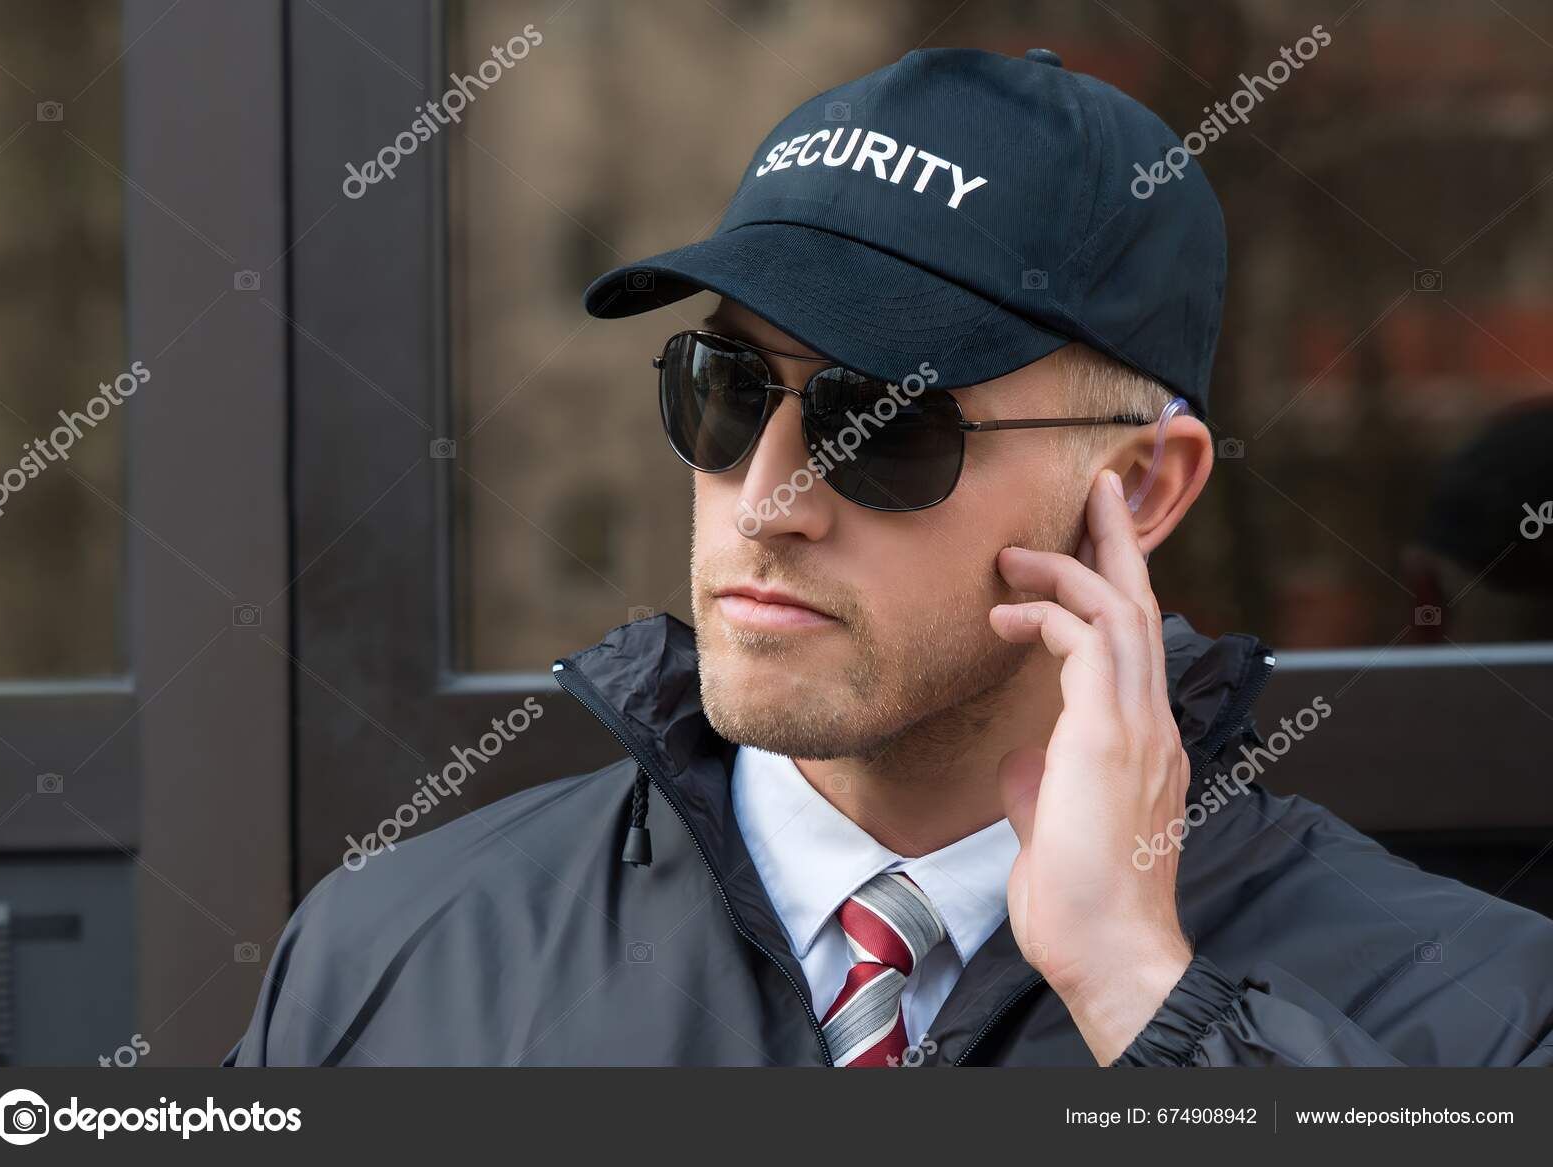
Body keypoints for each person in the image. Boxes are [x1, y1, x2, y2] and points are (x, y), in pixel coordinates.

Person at [225, 47, 1553, 1067]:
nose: (766, 502)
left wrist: (1141, 991)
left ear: (1142, 484)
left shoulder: (1469, 1007)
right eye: (726, 388)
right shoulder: (389, 961)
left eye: (880, 423)